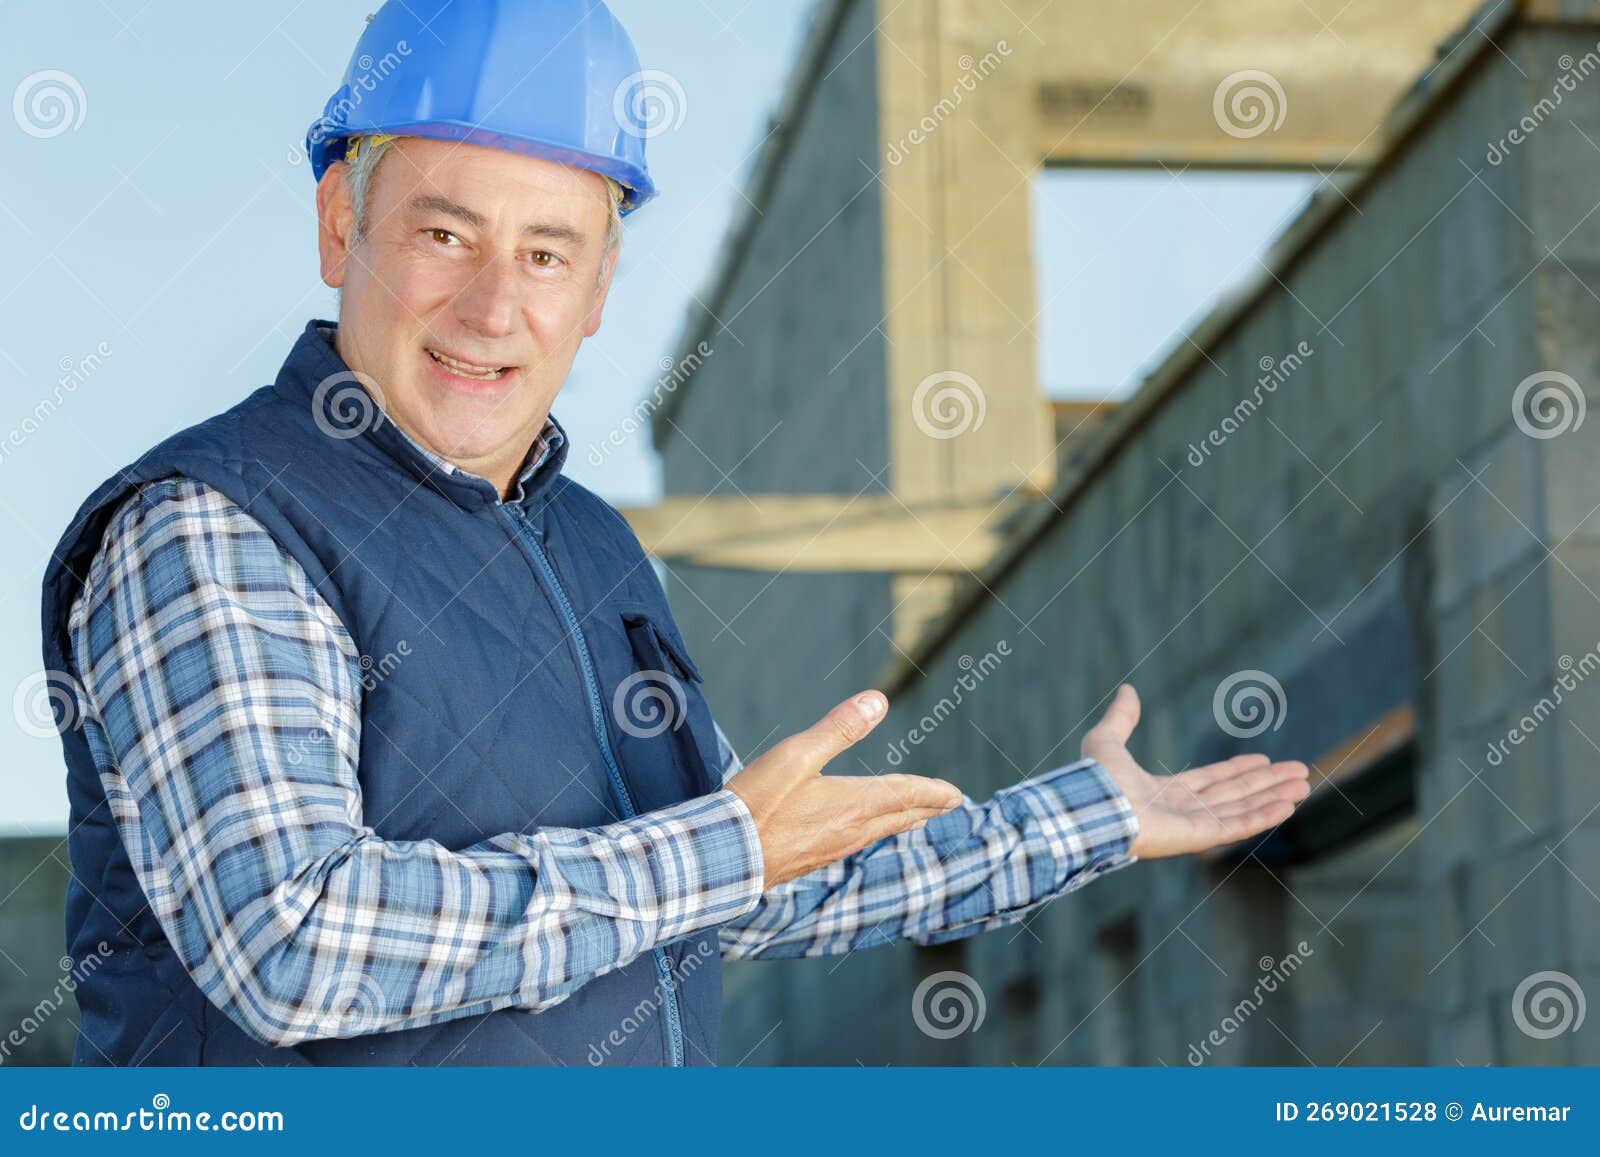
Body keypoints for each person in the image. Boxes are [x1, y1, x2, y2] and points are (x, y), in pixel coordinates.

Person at [39, 0, 1309, 1067]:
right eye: (443, 232)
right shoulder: (215, 523)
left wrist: (1087, 818)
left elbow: (760, 872)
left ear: (598, 290)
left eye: (548, 252)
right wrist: (717, 850)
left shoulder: (586, 547)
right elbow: (295, 940)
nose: (493, 305)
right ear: (339, 223)